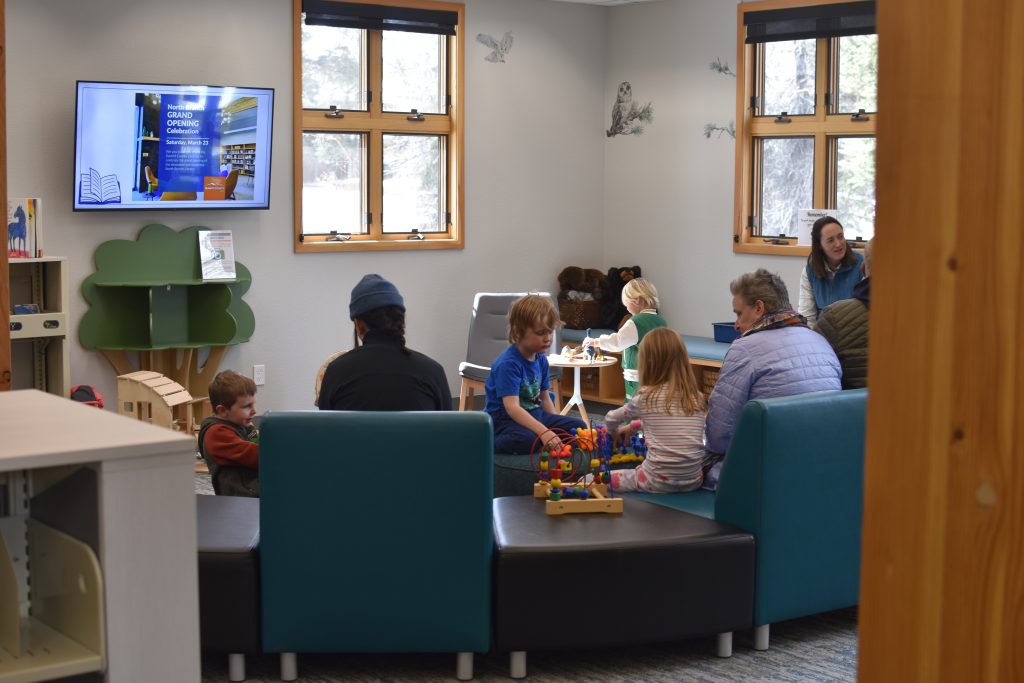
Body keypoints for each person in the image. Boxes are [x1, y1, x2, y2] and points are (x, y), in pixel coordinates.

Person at [704, 269, 842, 486]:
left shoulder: (744, 349)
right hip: (824, 464)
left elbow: (718, 435)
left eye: (739, 314)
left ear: (759, 308)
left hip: (770, 469)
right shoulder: (821, 341)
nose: (736, 325)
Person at [602, 328, 715, 493]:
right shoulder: (695, 398)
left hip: (655, 480)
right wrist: (633, 427)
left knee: (598, 479)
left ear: (647, 364)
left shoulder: (646, 398)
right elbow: (669, 423)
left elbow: (611, 418)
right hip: (693, 480)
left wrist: (613, 434)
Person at [318, 274, 451, 411]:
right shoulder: (433, 372)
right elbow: (448, 423)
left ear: (358, 324)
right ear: (401, 320)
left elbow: (324, 423)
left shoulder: (336, 372)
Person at [486, 294, 586, 454]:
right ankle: (484, 441)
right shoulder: (508, 364)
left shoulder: (541, 360)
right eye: (540, 333)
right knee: (527, 440)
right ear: (518, 332)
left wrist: (555, 430)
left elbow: (545, 399)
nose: (548, 338)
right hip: (505, 420)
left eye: (550, 332)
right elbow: (512, 408)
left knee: (579, 427)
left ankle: (540, 442)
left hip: (535, 413)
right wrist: (544, 432)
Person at [582, 277, 667, 402]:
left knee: (633, 405)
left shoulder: (636, 322)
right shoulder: (661, 321)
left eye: (627, 304)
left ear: (637, 301)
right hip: (657, 374)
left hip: (637, 375)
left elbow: (618, 341)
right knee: (651, 404)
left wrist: (596, 341)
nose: (626, 308)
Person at [816, 237, 873, 389]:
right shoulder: (928, 318)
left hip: (854, 403)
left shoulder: (833, 317)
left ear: (863, 269)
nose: (838, 244)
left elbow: (815, 376)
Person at [198, 370, 260, 497]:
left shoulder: (239, 424)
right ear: (223, 411)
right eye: (247, 406)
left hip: (250, 485)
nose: (254, 411)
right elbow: (254, 455)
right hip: (241, 496)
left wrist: (250, 430)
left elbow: (255, 442)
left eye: (254, 404)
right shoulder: (216, 434)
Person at [797, 216, 864, 326]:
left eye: (840, 237)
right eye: (830, 240)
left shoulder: (862, 264)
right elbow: (807, 316)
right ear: (819, 245)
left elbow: (867, 311)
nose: (838, 244)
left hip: (854, 331)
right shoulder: (809, 271)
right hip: (822, 332)